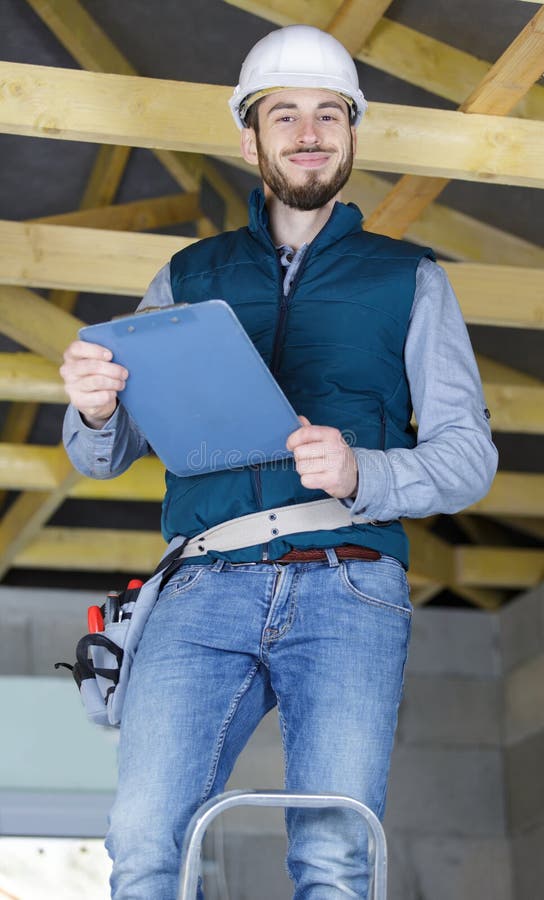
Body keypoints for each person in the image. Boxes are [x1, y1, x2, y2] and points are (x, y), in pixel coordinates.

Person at [60, 24, 498, 900]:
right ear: (248, 136)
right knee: (144, 842)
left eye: (329, 114)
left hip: (350, 584)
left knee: (335, 858)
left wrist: (363, 473)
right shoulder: (188, 275)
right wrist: (95, 406)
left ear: (352, 132)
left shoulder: (409, 278)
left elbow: (469, 458)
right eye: (285, 113)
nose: (308, 132)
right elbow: (101, 456)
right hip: (199, 585)